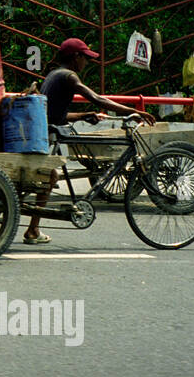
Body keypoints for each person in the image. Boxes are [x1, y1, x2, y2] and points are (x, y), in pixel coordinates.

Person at [21, 37, 156, 244]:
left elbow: (56, 114)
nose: (87, 62)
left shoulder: (54, 74)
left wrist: (84, 116)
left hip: (47, 130)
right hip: (47, 134)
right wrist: (133, 111)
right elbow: (98, 98)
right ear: (76, 57)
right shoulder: (69, 76)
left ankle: (33, 229)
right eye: (85, 58)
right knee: (48, 177)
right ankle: (32, 229)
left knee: (49, 177)